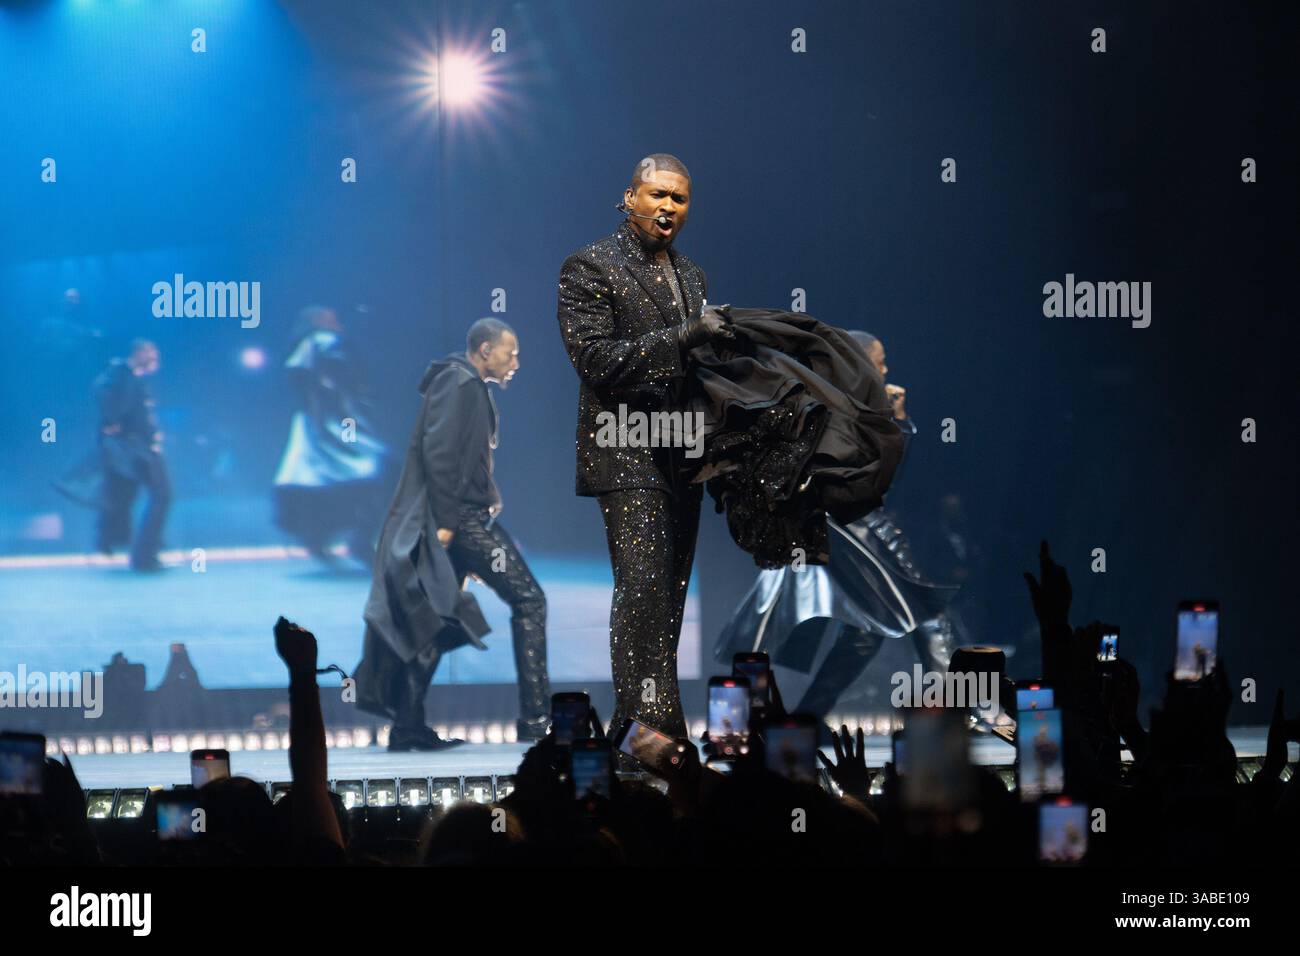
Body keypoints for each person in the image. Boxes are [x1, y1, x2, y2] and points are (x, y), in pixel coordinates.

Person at [557, 153, 732, 742]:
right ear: (629, 197)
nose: (667, 208)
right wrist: (686, 337)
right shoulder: (591, 265)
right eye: (657, 195)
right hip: (625, 445)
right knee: (643, 589)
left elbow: (697, 366)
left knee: (669, 599)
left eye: (679, 199)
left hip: (682, 453)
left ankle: (640, 729)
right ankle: (651, 736)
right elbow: (596, 360)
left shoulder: (693, 275)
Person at [713, 330, 959, 733]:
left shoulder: (849, 402)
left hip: (834, 525)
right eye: (879, 361)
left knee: (863, 631)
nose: (885, 369)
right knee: (924, 611)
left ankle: (803, 717)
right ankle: (950, 717)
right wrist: (895, 424)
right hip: (848, 528)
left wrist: (896, 422)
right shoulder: (831, 404)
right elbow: (878, 481)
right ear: (860, 363)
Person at [355, 318, 551, 750]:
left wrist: (490, 491)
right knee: (530, 600)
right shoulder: (458, 383)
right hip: (459, 521)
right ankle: (537, 720)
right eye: (510, 352)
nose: (516, 361)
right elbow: (438, 452)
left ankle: (407, 725)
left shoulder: (466, 384)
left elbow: (466, 455)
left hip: (462, 516)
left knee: (434, 618)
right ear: (484, 350)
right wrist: (445, 522)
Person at [272, 306, 389, 566]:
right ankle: (349, 538)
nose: (335, 321)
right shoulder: (320, 342)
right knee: (371, 471)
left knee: (352, 477)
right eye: (329, 318)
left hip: (336, 422)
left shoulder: (317, 345)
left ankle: (341, 536)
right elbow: (304, 375)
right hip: (329, 424)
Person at [54, 339, 171, 571]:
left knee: (127, 494)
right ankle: (142, 553)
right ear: (138, 353)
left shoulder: (133, 377)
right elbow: (109, 399)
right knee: (161, 494)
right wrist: (112, 421)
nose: (154, 358)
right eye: (150, 353)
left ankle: (135, 547)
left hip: (139, 447)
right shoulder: (120, 373)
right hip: (134, 449)